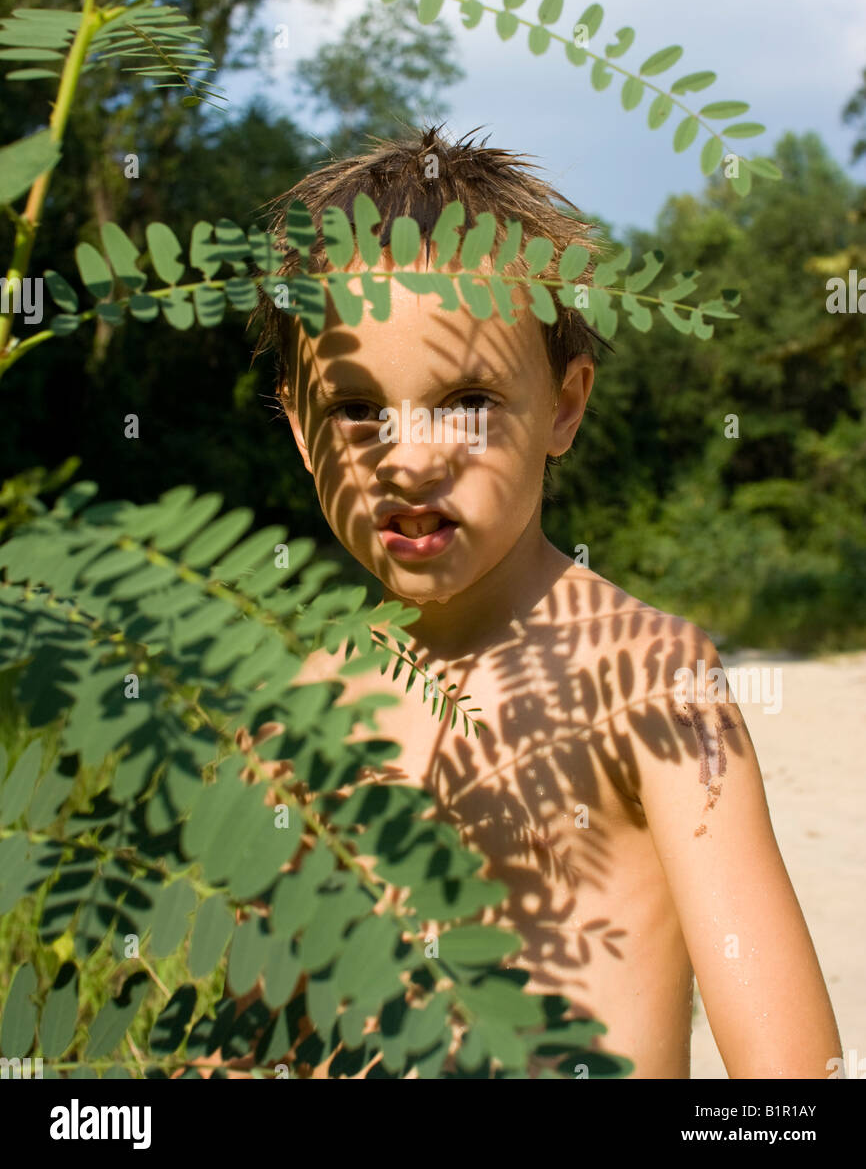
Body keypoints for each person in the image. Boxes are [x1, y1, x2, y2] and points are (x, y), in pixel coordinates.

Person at [246, 123, 841, 1079]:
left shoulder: (648, 680)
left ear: (564, 405)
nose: (409, 458)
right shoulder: (292, 718)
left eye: (470, 401)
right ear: (303, 429)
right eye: (358, 410)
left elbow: (791, 1081)